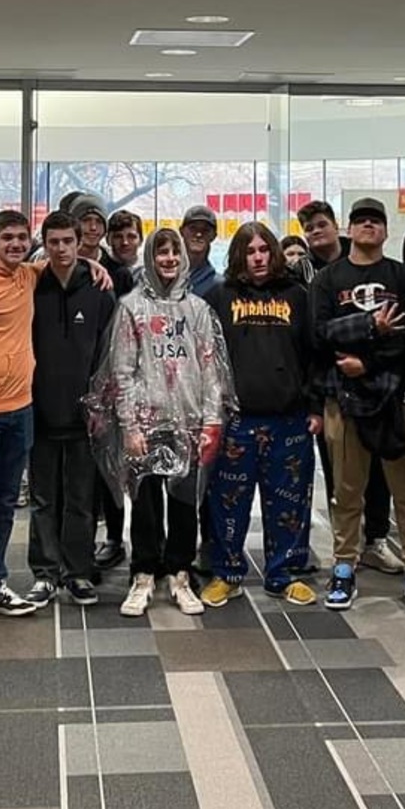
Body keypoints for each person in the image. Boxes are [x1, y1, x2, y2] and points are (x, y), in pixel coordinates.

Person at [0, 210, 110, 633]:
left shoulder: (26, 276)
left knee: (3, 503)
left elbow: (61, 261)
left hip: (21, 410)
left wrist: (92, 263)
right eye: (8, 238)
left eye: (21, 237)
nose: (16, 245)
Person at [91, 227, 235, 617]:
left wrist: (211, 422)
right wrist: (130, 426)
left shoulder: (198, 309)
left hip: (187, 422)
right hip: (145, 422)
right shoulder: (131, 307)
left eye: (174, 252)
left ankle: (179, 573)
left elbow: (211, 370)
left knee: (184, 503)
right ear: (150, 258)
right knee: (145, 500)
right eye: (161, 252)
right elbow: (122, 371)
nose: (169, 259)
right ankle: (143, 573)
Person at [312, 198, 405, 610]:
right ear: (349, 229)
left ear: (385, 230)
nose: (368, 226)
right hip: (344, 399)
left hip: (397, 397)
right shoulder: (328, 279)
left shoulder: (404, 277)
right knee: (347, 491)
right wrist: (370, 325)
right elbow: (319, 333)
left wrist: (367, 360)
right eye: (361, 220)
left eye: (375, 221)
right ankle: (344, 567)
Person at [202, 223, 320, 607]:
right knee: (228, 502)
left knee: (289, 502)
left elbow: (314, 354)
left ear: (274, 253)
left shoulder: (297, 296)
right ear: (239, 255)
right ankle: (227, 573)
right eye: (250, 251)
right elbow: (206, 358)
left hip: (289, 419)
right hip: (237, 420)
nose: (258, 257)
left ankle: (283, 574)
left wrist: (316, 406)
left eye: (264, 249)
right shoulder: (219, 295)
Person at [27, 211, 116, 607]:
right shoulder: (30, 285)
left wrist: (102, 404)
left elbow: (110, 352)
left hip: (85, 414)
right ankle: (45, 573)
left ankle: (78, 571)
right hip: (38, 409)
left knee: (81, 499)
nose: (61, 249)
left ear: (80, 244)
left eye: (68, 241)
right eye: (54, 242)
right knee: (43, 499)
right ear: (44, 244)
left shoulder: (100, 289)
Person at [95, 210, 146, 568]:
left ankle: (147, 542)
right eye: (118, 236)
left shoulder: (150, 273)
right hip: (107, 379)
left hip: (145, 382)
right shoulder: (103, 273)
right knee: (109, 466)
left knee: (145, 469)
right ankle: (114, 537)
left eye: (131, 236)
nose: (125, 242)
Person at [70, 193, 134, 295]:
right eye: (86, 220)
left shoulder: (120, 275)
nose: (93, 227)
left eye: (99, 221)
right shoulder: (59, 268)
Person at [178, 204, 222, 297]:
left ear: (213, 236)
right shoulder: (165, 276)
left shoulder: (220, 286)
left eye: (205, 230)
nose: (198, 234)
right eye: (193, 228)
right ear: (181, 231)